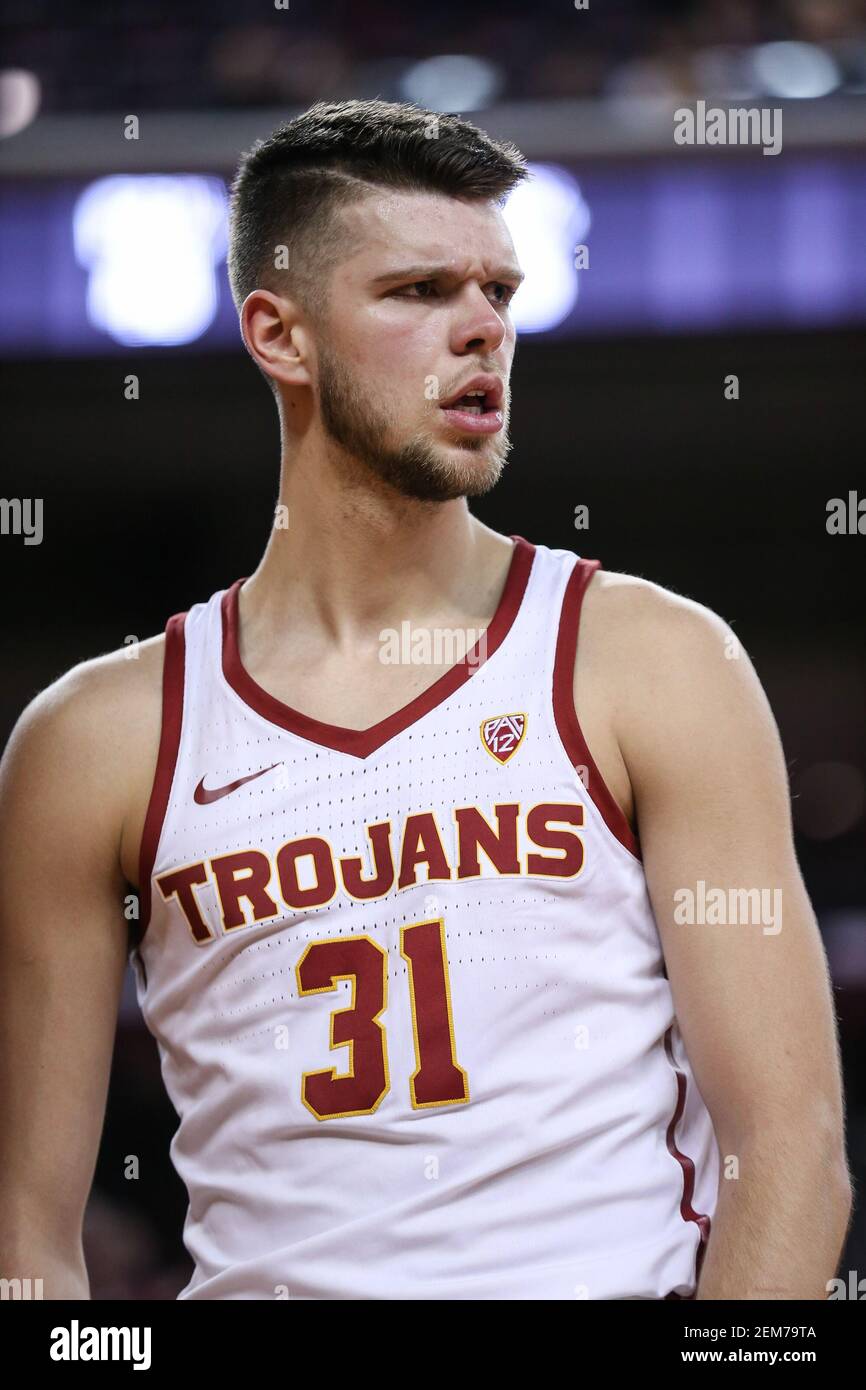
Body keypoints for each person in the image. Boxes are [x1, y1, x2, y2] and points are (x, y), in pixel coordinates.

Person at [0, 99, 851, 1301]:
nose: (481, 332)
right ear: (278, 334)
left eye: (497, 293)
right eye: (417, 293)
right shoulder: (95, 739)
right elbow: (24, 1252)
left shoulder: (650, 659)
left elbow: (792, 1147)